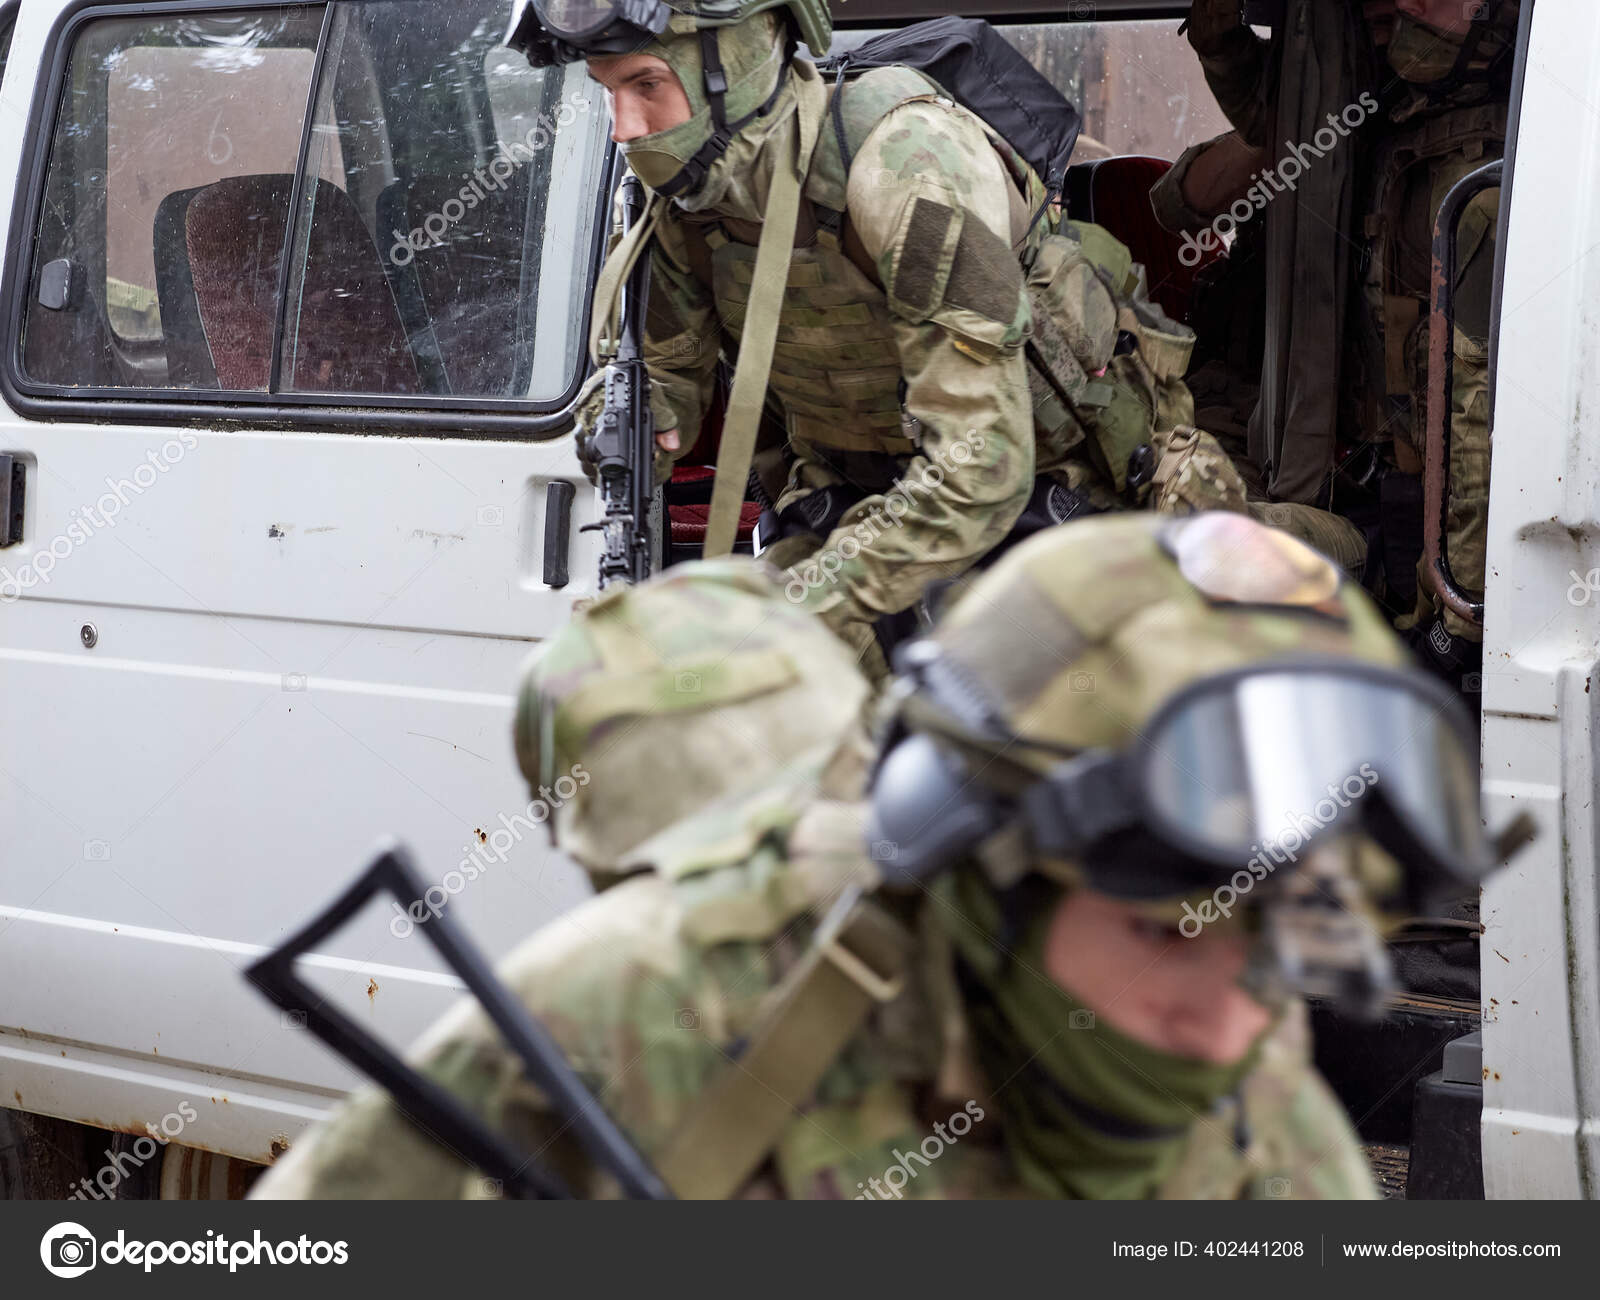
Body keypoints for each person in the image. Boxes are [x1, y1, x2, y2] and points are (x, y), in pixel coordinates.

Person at [253, 512, 1504, 1199]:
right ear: (977, 863)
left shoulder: (1247, 1077)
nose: (1225, 1019)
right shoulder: (650, 1004)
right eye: (1164, 926)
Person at [519, 0, 1247, 675]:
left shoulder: (906, 165)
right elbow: (665, 390)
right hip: (859, 500)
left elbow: (980, 470)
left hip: (1045, 495)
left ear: (734, 65)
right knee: (708, 702)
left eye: (647, 85)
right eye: (606, 90)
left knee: (986, 724)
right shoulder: (689, 202)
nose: (625, 127)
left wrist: (798, 608)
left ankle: (1344, 541)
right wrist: (633, 436)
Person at [1153, 0, 1517, 688]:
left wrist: (1458, 614)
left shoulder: (1483, 182)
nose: (1387, 13)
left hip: (1451, 545)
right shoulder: (1363, 134)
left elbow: (1481, 416)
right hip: (1366, 502)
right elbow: (1180, 196)